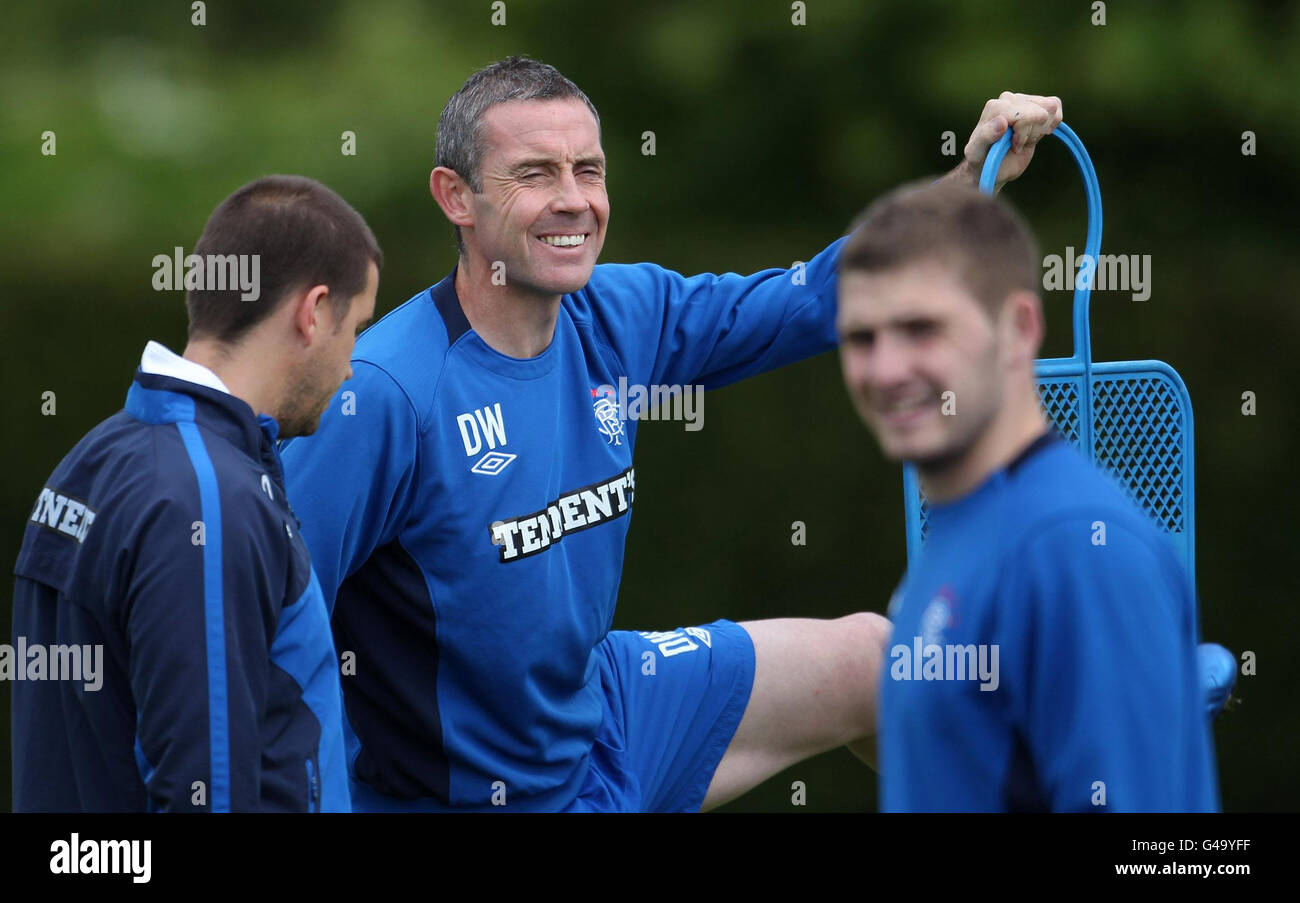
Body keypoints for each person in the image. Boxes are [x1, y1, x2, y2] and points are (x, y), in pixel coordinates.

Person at [281, 55, 1062, 811]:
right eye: (534, 174)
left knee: (882, 660)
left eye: (588, 170)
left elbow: (812, 298)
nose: (573, 199)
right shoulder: (384, 393)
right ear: (456, 197)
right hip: (470, 795)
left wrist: (966, 188)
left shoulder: (622, 314)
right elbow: (265, 615)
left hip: (605, 712)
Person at [836, 181, 1218, 811]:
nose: (885, 370)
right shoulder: (962, 529)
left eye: (921, 329)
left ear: (1018, 329)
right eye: (861, 338)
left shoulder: (1079, 551)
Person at [11, 175, 379, 812]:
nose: (351, 365)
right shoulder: (209, 500)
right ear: (314, 311)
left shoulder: (93, 457)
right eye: (357, 329)